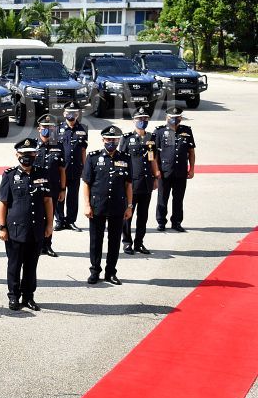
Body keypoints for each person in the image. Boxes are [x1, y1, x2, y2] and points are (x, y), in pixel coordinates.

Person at [0, 138, 54, 311]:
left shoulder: (42, 174)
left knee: (31, 266)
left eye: (30, 153)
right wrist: (1, 227)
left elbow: (47, 201)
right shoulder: (9, 175)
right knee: (14, 265)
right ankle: (14, 296)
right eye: (24, 154)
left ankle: (28, 296)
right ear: (17, 155)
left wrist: (49, 225)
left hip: (36, 229)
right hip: (15, 229)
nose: (27, 157)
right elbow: (3, 203)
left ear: (35, 154)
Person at [82, 125, 133, 285]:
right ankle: (95, 271)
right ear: (103, 140)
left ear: (118, 140)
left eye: (114, 140)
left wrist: (129, 206)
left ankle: (111, 272)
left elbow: (128, 184)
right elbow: (86, 183)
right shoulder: (93, 157)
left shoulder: (125, 158)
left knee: (114, 240)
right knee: (96, 240)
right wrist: (87, 205)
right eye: (108, 139)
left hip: (118, 206)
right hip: (98, 206)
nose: (111, 142)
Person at [121, 107, 160, 253]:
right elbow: (121, 161)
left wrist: (156, 177)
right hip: (131, 183)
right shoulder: (126, 138)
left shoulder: (151, 138)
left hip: (146, 183)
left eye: (145, 119)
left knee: (143, 216)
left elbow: (152, 158)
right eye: (139, 119)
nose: (142, 122)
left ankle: (139, 242)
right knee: (128, 213)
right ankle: (126, 242)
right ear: (134, 121)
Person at [154, 106, 196, 232]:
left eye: (177, 118)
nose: (174, 119)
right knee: (162, 198)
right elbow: (154, 153)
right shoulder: (160, 131)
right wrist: (156, 170)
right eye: (171, 118)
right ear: (166, 118)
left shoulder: (186, 131)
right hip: (164, 171)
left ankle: (176, 222)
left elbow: (191, 152)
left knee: (178, 198)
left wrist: (192, 169)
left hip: (181, 171)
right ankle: (161, 221)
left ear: (181, 118)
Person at [34, 114, 66, 257]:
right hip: (36, 189)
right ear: (38, 129)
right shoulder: (32, 146)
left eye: (50, 127)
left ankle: (47, 245)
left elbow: (62, 170)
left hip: (52, 189)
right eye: (44, 127)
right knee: (37, 217)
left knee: (50, 218)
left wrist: (63, 189)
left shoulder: (58, 147)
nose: (47, 130)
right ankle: (37, 245)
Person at [55, 102, 89, 231]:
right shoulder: (57, 129)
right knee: (59, 195)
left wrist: (85, 168)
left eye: (74, 112)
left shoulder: (83, 129)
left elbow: (83, 151)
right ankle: (59, 220)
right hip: (61, 169)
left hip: (76, 169)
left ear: (78, 114)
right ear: (64, 113)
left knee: (73, 196)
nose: (71, 115)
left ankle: (70, 221)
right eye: (69, 112)